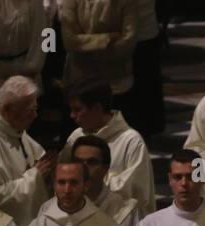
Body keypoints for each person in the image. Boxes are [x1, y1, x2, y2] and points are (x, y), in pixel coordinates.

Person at [0, 77, 53, 226]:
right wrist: (34, 176)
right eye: (30, 111)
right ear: (7, 110)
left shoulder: (14, 130)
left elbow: (38, 157)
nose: (35, 116)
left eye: (36, 109)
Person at [64, 81, 155, 215]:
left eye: (77, 109)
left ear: (96, 108)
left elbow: (135, 190)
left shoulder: (131, 141)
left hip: (117, 220)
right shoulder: (76, 136)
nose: (72, 115)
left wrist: (90, 184)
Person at [59, 0, 138, 100]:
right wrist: (107, 38)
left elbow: (127, 45)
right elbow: (69, 41)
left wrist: (85, 48)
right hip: (80, 82)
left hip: (116, 83)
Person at [69, 137, 141, 226]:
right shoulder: (53, 208)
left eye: (92, 162)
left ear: (105, 168)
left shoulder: (124, 210)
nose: (83, 169)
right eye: (78, 162)